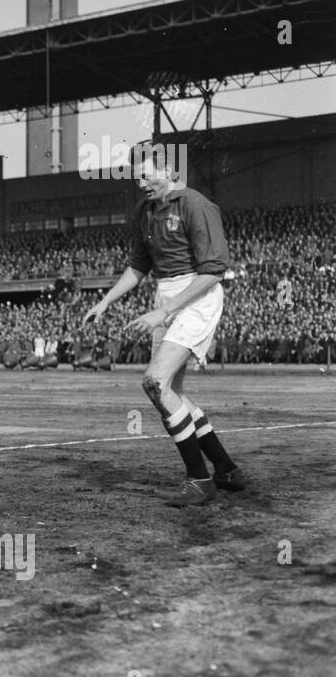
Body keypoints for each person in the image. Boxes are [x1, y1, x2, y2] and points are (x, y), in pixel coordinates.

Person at [82, 149, 247, 506]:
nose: (141, 184)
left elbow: (213, 272)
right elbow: (138, 266)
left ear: (170, 170)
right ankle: (226, 468)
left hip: (197, 296)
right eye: (136, 179)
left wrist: (165, 312)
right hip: (166, 295)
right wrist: (107, 300)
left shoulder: (197, 205)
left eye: (146, 176)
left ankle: (199, 479)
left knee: (154, 382)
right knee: (170, 391)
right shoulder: (144, 211)